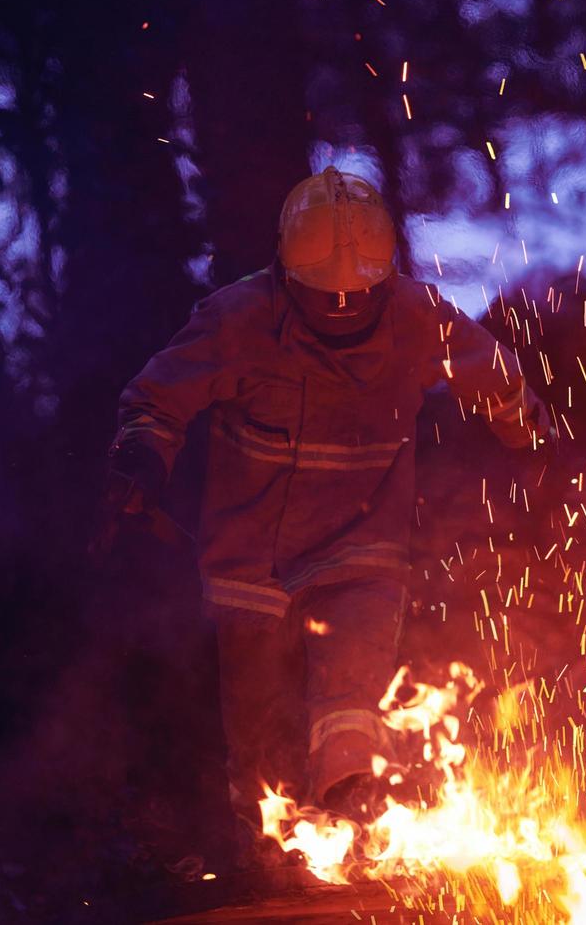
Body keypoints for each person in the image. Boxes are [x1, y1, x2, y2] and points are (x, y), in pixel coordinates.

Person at [98, 167, 549, 866]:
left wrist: (530, 437)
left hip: (363, 544)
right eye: (324, 297)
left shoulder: (415, 314)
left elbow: (494, 371)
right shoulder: (237, 320)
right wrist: (141, 459)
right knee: (258, 733)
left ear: (386, 277)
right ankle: (273, 864)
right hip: (251, 559)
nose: (343, 306)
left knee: (349, 696)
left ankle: (354, 822)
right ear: (285, 273)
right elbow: (157, 399)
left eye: (360, 296)